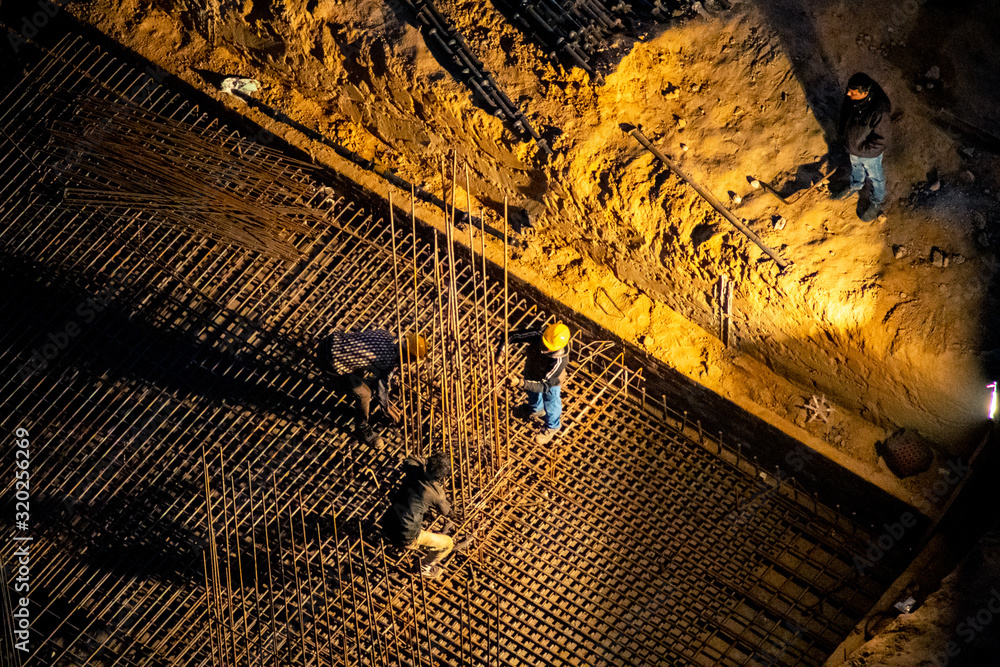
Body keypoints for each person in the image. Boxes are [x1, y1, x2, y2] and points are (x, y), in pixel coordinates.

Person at [320, 329, 427, 446]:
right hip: (329, 361)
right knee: (365, 394)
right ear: (409, 357)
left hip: (329, 341)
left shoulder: (385, 334)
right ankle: (362, 427)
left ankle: (347, 389)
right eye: (412, 361)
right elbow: (382, 389)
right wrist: (386, 408)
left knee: (361, 369)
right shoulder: (388, 360)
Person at [381, 451, 454, 579]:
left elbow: (410, 459)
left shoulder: (414, 469)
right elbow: (445, 511)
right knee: (448, 544)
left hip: (387, 521)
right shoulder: (436, 493)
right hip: (405, 536)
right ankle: (424, 568)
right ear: (442, 476)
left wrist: (428, 462)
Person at [497, 321, 571, 445]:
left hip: (551, 382)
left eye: (548, 347)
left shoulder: (559, 360)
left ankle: (553, 426)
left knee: (551, 401)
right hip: (531, 372)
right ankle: (536, 409)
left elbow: (544, 386)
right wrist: (500, 354)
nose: (543, 347)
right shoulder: (539, 334)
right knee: (532, 394)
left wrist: (520, 383)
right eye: (543, 342)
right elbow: (509, 336)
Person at [832, 72, 892, 222]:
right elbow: (844, 114)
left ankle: (877, 200)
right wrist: (843, 135)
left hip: (869, 154)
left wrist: (862, 150)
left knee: (876, 177)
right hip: (854, 147)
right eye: (849, 89)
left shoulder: (879, 110)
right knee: (856, 167)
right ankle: (856, 185)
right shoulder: (853, 98)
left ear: (865, 93)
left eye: (853, 91)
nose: (848, 93)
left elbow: (881, 139)